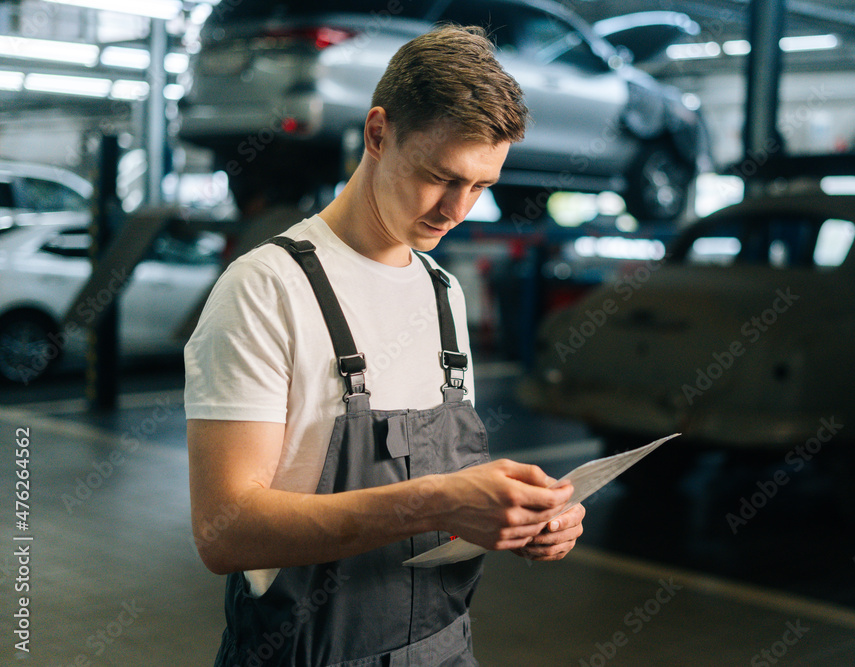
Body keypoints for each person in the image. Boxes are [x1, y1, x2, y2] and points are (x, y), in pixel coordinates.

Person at [185, 25, 586, 667]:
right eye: (440, 176)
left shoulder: (442, 293)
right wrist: (438, 499)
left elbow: (448, 503)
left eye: (481, 185)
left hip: (445, 651)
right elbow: (224, 531)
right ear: (377, 133)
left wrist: (520, 517)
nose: (457, 208)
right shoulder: (266, 289)